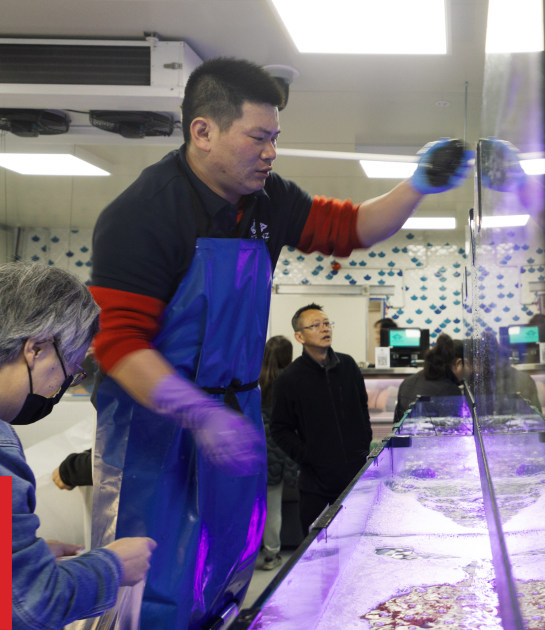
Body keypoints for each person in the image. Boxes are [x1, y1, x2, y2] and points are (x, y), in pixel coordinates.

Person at [86, 56, 472, 629]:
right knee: (149, 591)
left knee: (225, 570)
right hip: (155, 429)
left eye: (276, 138)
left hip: (232, 410)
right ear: (203, 131)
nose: (271, 153)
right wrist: (197, 413)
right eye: (258, 138)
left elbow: (351, 228)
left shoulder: (270, 200)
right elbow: (118, 344)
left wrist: (419, 185)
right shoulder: (142, 214)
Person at [0, 262, 156, 630]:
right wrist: (113, 567)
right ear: (36, 349)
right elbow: (22, 609)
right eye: (71, 370)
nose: (59, 388)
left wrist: (9, 557)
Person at [270, 304, 372, 534]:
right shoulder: (289, 379)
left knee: (356, 539)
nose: (325, 329)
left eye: (326, 323)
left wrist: (363, 443)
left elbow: (362, 407)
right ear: (299, 336)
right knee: (315, 544)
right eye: (315, 325)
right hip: (316, 484)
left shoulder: (348, 366)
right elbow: (279, 429)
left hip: (355, 477)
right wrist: (309, 456)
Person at [258, 335, 295, 571]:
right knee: (273, 507)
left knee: (253, 507)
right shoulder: (290, 381)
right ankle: (271, 555)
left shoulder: (254, 381)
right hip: (279, 452)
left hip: (255, 450)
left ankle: (246, 555)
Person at [393, 333, 469, 422]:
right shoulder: (450, 390)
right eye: (468, 365)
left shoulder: (407, 381)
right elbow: (451, 428)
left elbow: (397, 423)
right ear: (459, 363)